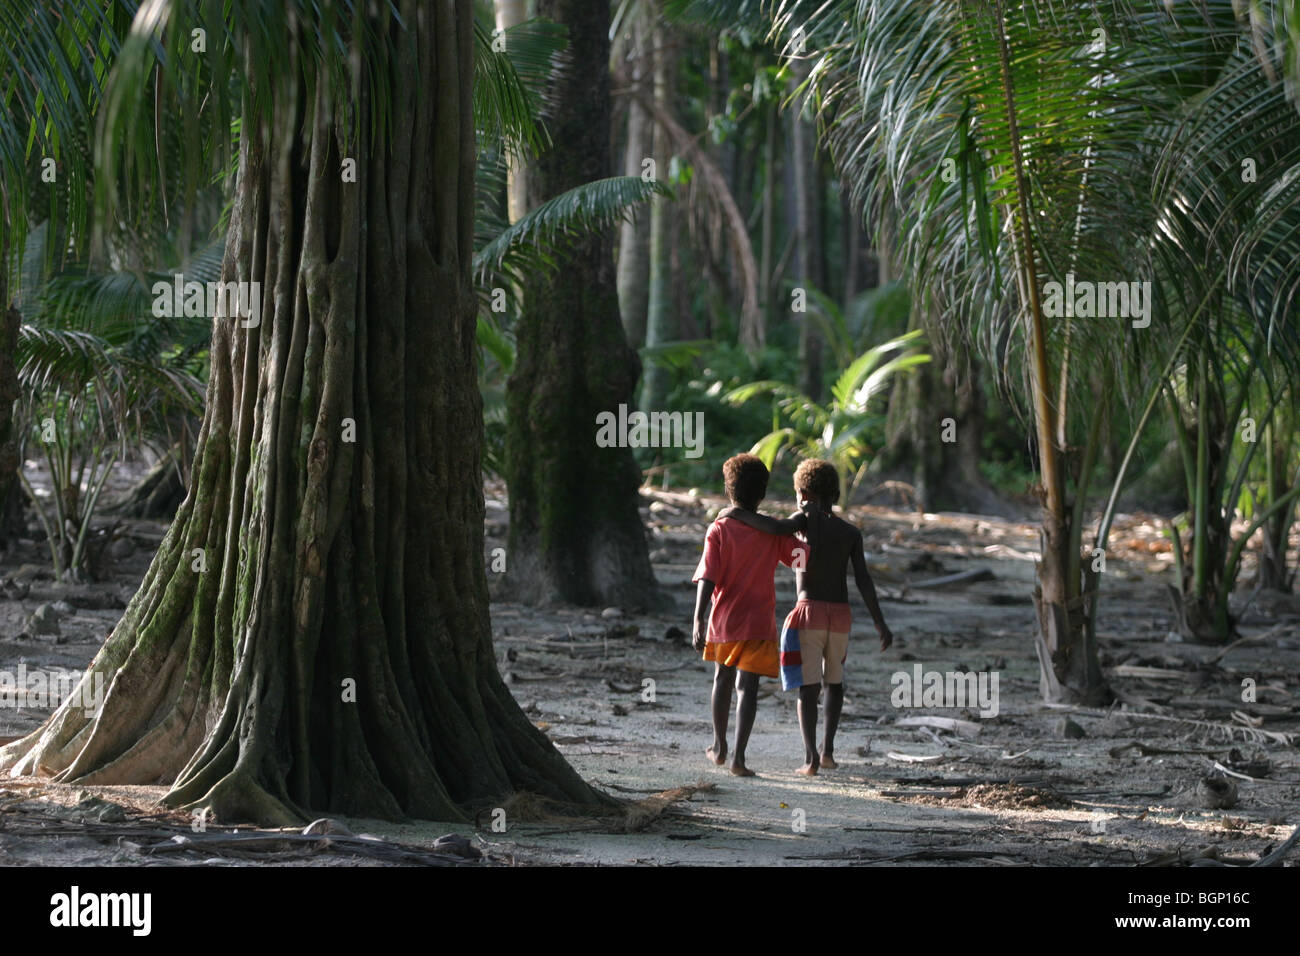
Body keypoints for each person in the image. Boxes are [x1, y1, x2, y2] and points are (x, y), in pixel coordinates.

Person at [720, 458, 893, 775]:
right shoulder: (850, 533)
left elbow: (773, 528)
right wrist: (880, 622)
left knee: (808, 688)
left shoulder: (801, 520)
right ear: (836, 495)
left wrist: (736, 513)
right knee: (835, 683)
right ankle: (828, 752)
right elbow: (863, 580)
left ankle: (810, 758)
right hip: (840, 615)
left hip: (808, 612)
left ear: (804, 494)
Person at [692, 454, 807, 777]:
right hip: (759, 621)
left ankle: (718, 745)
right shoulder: (772, 531)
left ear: (729, 491)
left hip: (725, 619)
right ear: (763, 494)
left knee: (722, 679)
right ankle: (739, 759)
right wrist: (807, 526)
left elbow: (708, 576)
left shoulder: (719, 529)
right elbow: (801, 560)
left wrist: (698, 618)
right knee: (748, 689)